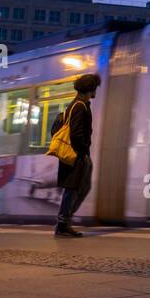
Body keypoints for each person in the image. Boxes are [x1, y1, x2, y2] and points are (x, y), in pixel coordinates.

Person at [54, 74, 100, 237]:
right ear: (90, 89)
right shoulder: (79, 106)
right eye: (95, 88)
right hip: (76, 154)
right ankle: (63, 224)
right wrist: (83, 152)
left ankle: (64, 221)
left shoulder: (79, 104)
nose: (96, 91)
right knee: (73, 188)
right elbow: (76, 134)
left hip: (76, 154)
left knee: (79, 187)